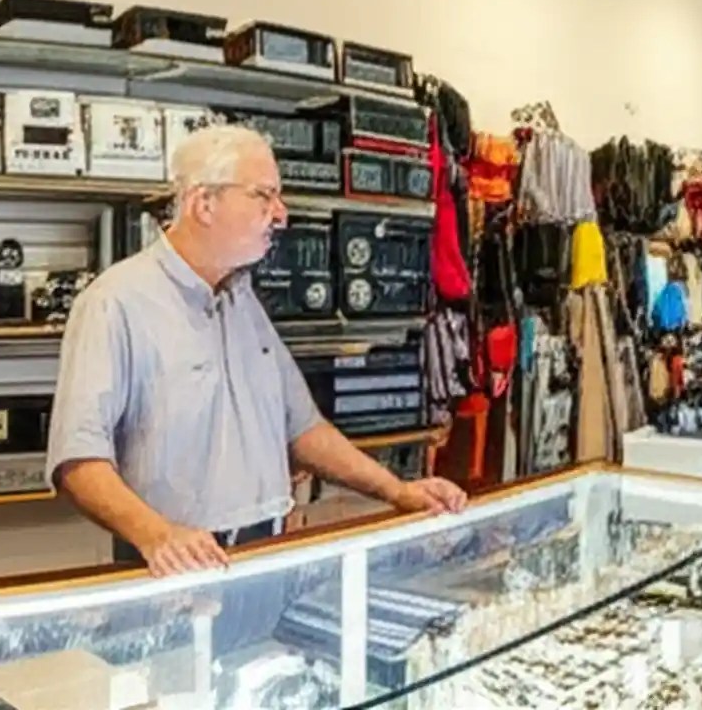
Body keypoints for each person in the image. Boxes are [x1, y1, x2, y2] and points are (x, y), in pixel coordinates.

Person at [46, 124, 468, 578]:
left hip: (266, 553)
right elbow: (78, 461)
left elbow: (303, 429)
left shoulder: (242, 300)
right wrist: (157, 534)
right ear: (203, 203)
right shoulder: (115, 303)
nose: (281, 214)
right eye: (264, 197)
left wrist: (397, 491)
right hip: (175, 568)